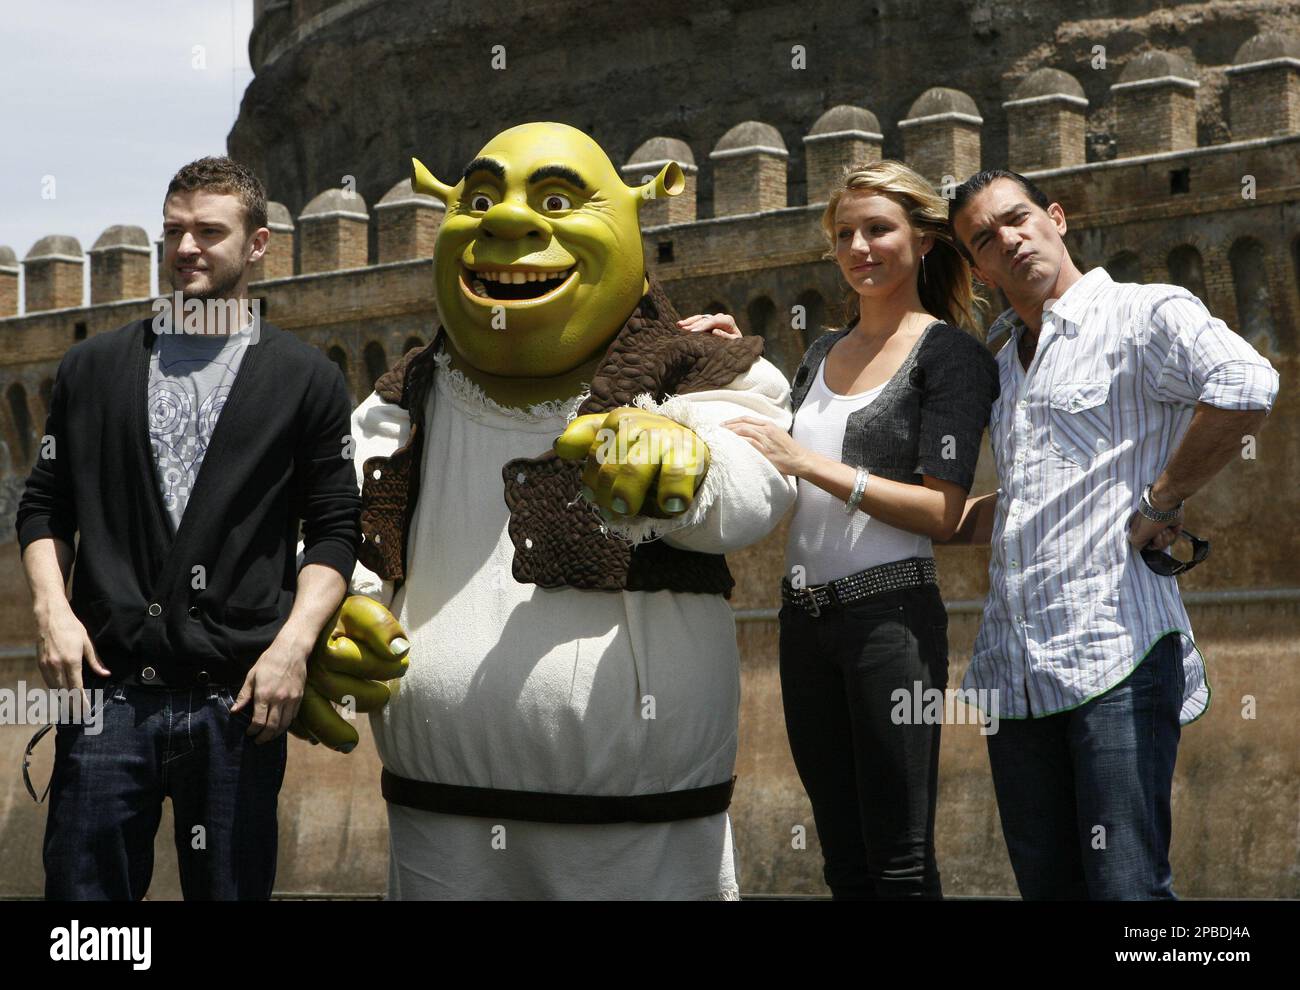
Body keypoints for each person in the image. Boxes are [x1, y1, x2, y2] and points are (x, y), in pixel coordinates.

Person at [16, 156, 361, 900]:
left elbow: (334, 529)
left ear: (259, 244)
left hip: (235, 703)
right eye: (174, 231)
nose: (186, 249)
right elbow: (44, 503)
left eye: (210, 231)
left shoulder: (306, 380)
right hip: (106, 698)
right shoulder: (91, 368)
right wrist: (52, 612)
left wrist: (293, 650)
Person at [945, 169, 1280, 899]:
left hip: (1116, 654)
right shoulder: (1002, 365)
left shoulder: (1141, 312)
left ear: (1055, 217)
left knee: (1127, 891)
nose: (1008, 239)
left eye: (1018, 218)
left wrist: (1162, 503)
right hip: (1014, 670)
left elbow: (1246, 385)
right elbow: (1037, 495)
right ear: (979, 268)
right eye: (984, 239)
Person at [679, 159, 1000, 898]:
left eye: (878, 230)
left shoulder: (949, 355)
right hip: (803, 625)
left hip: (891, 622)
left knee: (900, 861)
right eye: (844, 234)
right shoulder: (822, 351)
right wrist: (735, 358)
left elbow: (942, 512)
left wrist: (812, 464)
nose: (859, 246)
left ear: (922, 240)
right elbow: (773, 450)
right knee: (843, 863)